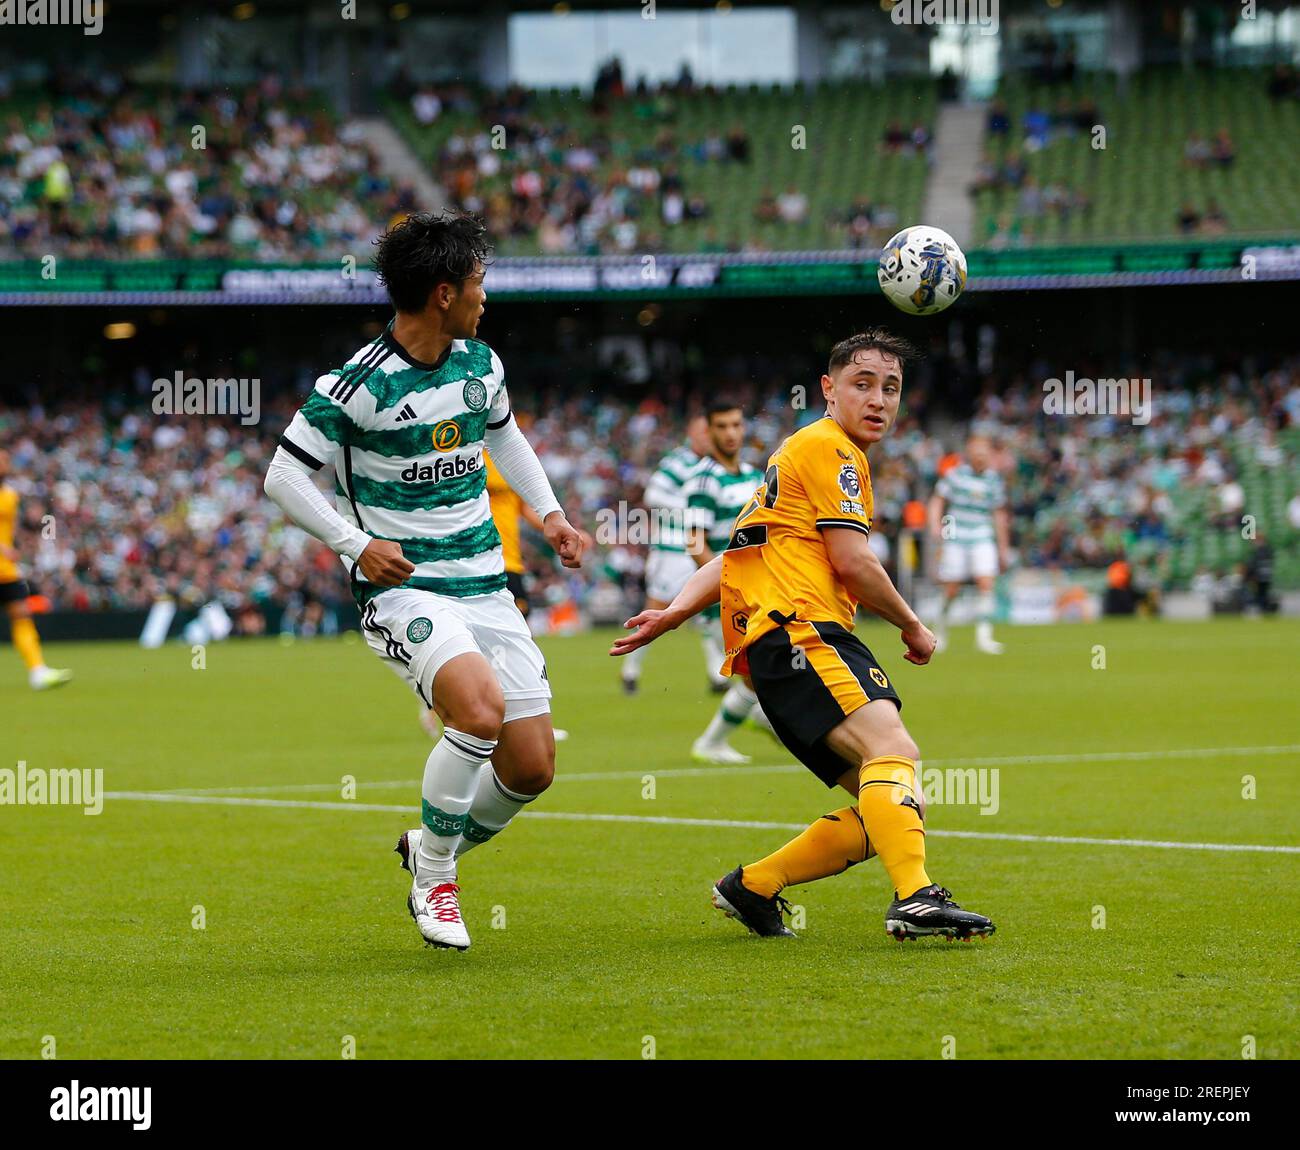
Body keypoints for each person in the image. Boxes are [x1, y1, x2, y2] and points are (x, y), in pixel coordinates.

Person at [264, 211, 585, 951]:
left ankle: (429, 845)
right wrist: (355, 544)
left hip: (485, 582)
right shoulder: (358, 384)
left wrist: (551, 514)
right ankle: (436, 877)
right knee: (477, 711)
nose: (485, 296)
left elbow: (504, 436)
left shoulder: (480, 364)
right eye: (478, 282)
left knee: (532, 768)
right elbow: (283, 475)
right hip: (404, 587)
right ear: (444, 293)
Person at [611, 330, 994, 942]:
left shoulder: (797, 455)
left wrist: (675, 612)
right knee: (894, 751)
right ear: (828, 389)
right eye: (862, 384)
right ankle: (916, 898)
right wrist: (913, 624)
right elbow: (854, 561)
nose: (878, 400)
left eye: (891, 388)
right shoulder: (830, 450)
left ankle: (754, 886)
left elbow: (736, 555)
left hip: (781, 649)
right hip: (803, 634)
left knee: (896, 806)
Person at [682, 400, 768, 764]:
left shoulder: (755, 476)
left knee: (765, 673)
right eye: (722, 426)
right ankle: (714, 741)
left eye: (736, 425)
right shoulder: (704, 479)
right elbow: (694, 542)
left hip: (761, 590)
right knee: (758, 674)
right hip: (730, 597)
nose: (730, 433)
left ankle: (763, 720)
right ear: (709, 431)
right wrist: (727, 584)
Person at [619, 415, 721, 694]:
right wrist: (692, 507)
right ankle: (630, 668)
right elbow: (653, 496)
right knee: (659, 608)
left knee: (709, 608)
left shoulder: (713, 465)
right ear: (692, 433)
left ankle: (717, 673)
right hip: (672, 549)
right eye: (703, 431)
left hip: (701, 546)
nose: (708, 437)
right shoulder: (677, 463)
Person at [928, 434, 1011, 654]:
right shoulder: (955, 475)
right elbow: (937, 500)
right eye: (977, 451)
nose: (981, 456)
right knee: (951, 588)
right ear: (970, 452)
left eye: (984, 452)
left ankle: (984, 636)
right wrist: (935, 525)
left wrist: (1003, 547)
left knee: (986, 583)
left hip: (982, 535)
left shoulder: (994, 480)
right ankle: (940, 631)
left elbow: (999, 514)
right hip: (956, 536)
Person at [0, 449, 71, 691]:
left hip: (6, 569)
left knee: (22, 615)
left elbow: (12, 530)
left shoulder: (10, 495)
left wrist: (19, 544)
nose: (4, 464)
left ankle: (37, 671)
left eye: (6, 460)